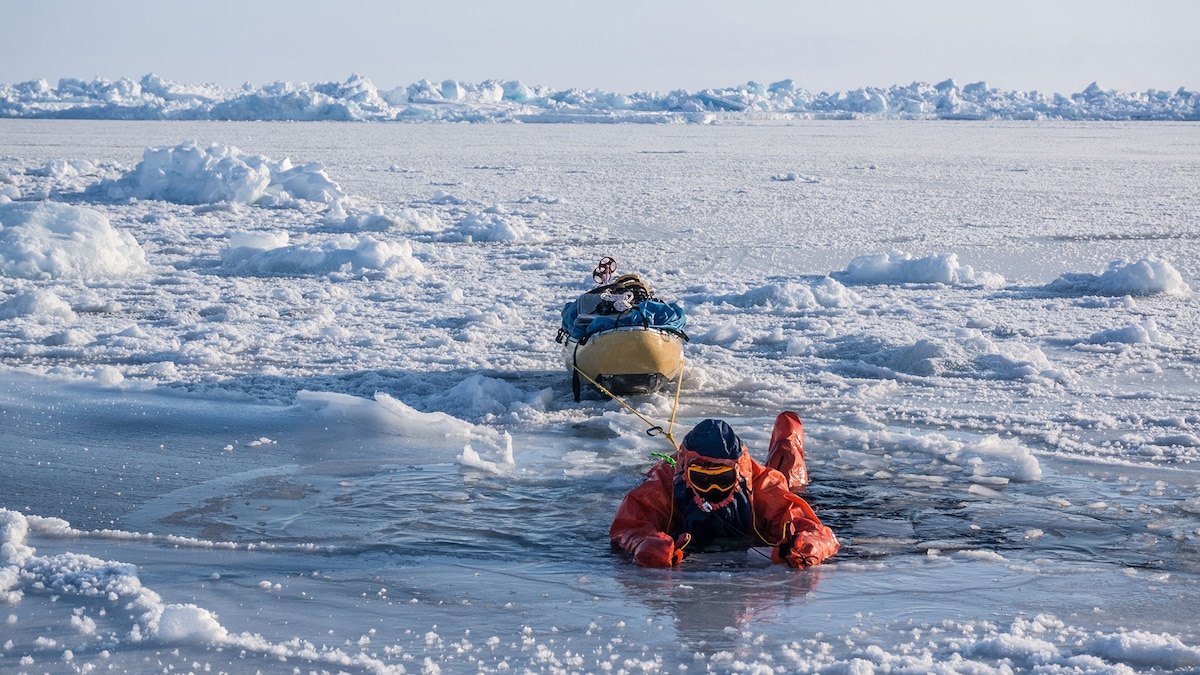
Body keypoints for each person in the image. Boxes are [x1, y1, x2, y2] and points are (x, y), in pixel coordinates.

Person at [610, 412, 839, 568]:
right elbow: (628, 527)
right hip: (676, 469)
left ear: (737, 477)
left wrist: (805, 547)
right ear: (686, 476)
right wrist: (647, 544)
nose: (712, 489)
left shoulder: (765, 486)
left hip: (761, 480)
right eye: (702, 479)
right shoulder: (663, 484)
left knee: (794, 483)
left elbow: (818, 533)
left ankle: (788, 438)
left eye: (722, 479)